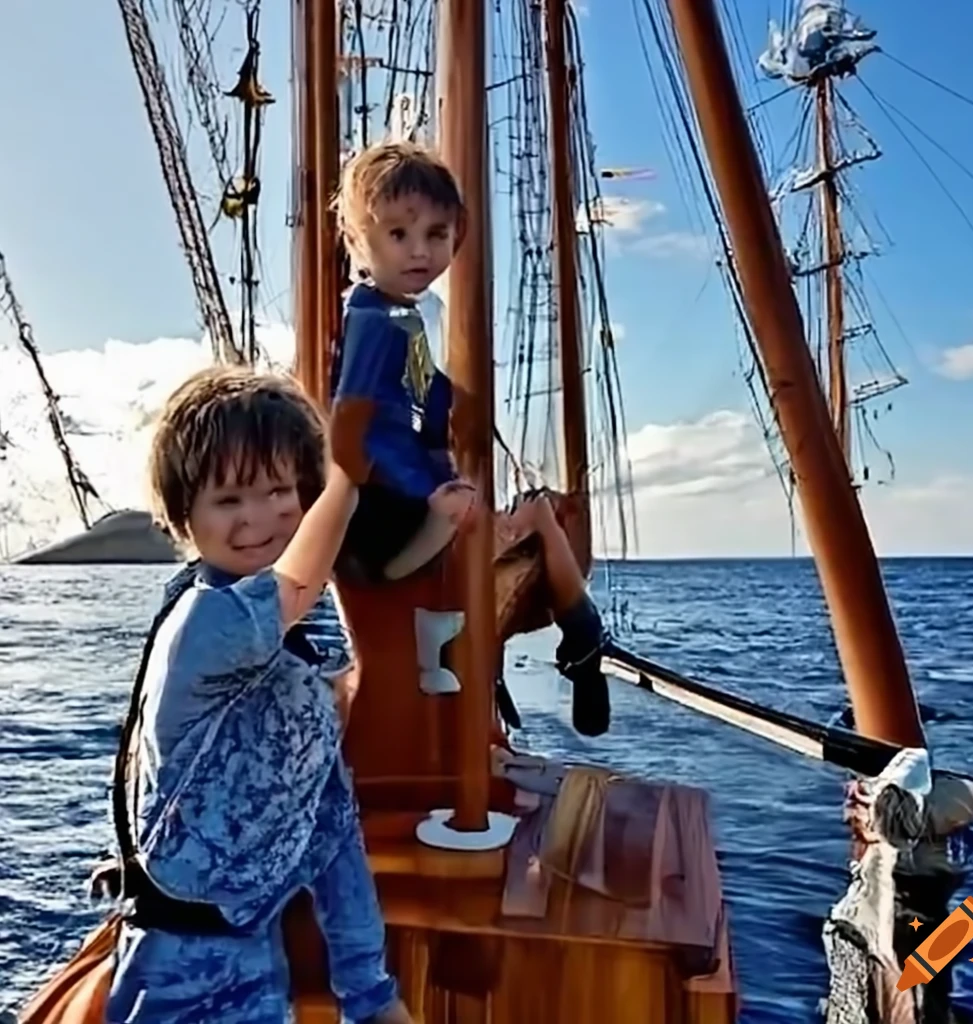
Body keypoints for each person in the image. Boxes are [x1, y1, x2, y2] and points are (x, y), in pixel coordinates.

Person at [103, 366, 413, 1024]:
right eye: (229, 499)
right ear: (185, 516)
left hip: (253, 953)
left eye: (279, 490)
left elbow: (328, 819)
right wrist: (346, 479)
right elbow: (298, 584)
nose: (259, 519)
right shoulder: (205, 625)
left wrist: (372, 994)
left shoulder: (306, 659)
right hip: (174, 967)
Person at [328, 140, 611, 737]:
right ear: (359, 243)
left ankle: (581, 636)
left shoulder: (400, 315)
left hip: (403, 500)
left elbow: (419, 395)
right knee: (526, 517)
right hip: (390, 519)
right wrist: (377, 493)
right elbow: (349, 424)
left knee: (532, 513)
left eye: (436, 234)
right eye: (399, 235)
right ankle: (579, 639)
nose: (421, 251)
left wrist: (457, 400)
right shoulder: (377, 321)